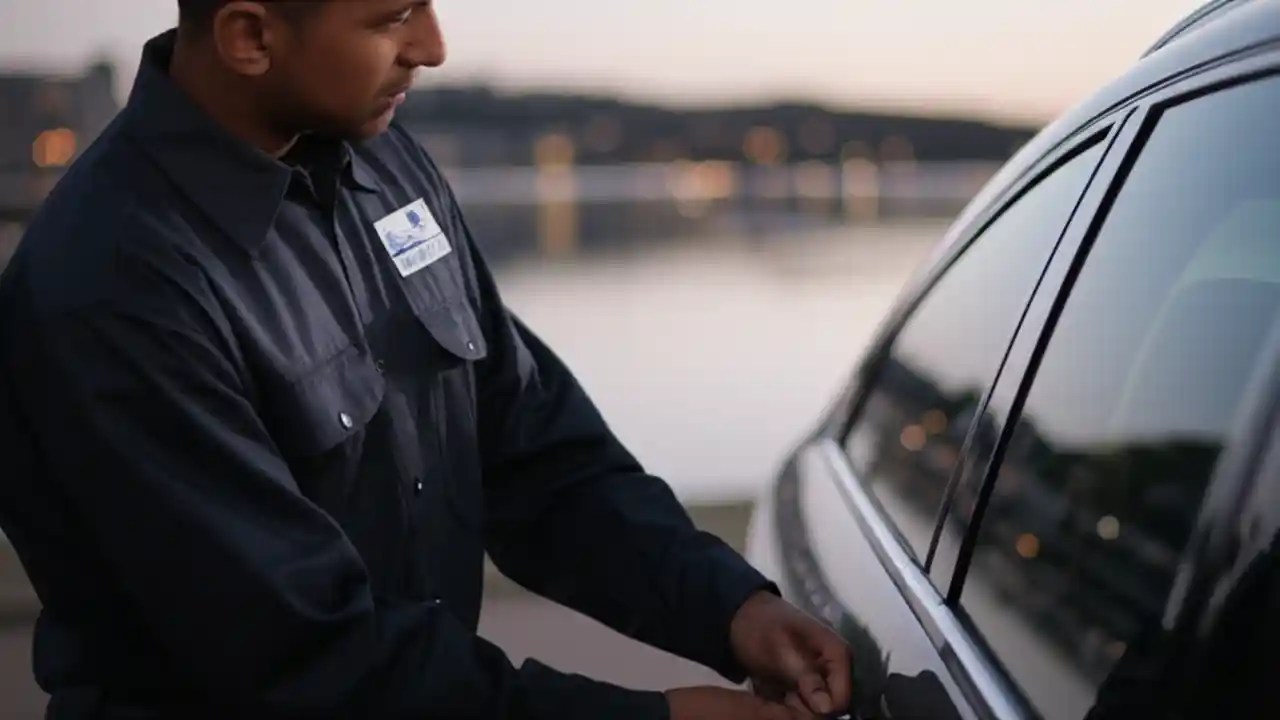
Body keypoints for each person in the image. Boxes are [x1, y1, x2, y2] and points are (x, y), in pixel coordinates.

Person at [0, 1, 852, 718]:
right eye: (391, 17)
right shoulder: (113, 284)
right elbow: (301, 656)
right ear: (250, 37)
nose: (434, 47)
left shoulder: (386, 164)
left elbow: (535, 452)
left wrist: (731, 609)